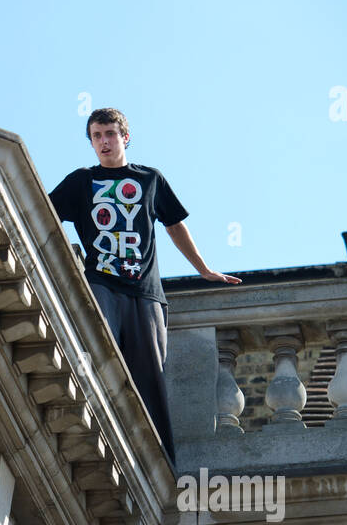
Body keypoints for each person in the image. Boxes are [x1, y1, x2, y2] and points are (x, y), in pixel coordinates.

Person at [48, 108, 241, 461]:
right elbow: (42, 215)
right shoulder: (81, 181)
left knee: (150, 376)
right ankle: (91, 436)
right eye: (96, 136)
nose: (104, 142)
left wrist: (204, 270)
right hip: (101, 284)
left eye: (109, 134)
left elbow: (174, 225)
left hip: (146, 291)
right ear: (90, 142)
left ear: (125, 137)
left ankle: (158, 460)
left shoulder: (149, 179)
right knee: (96, 352)